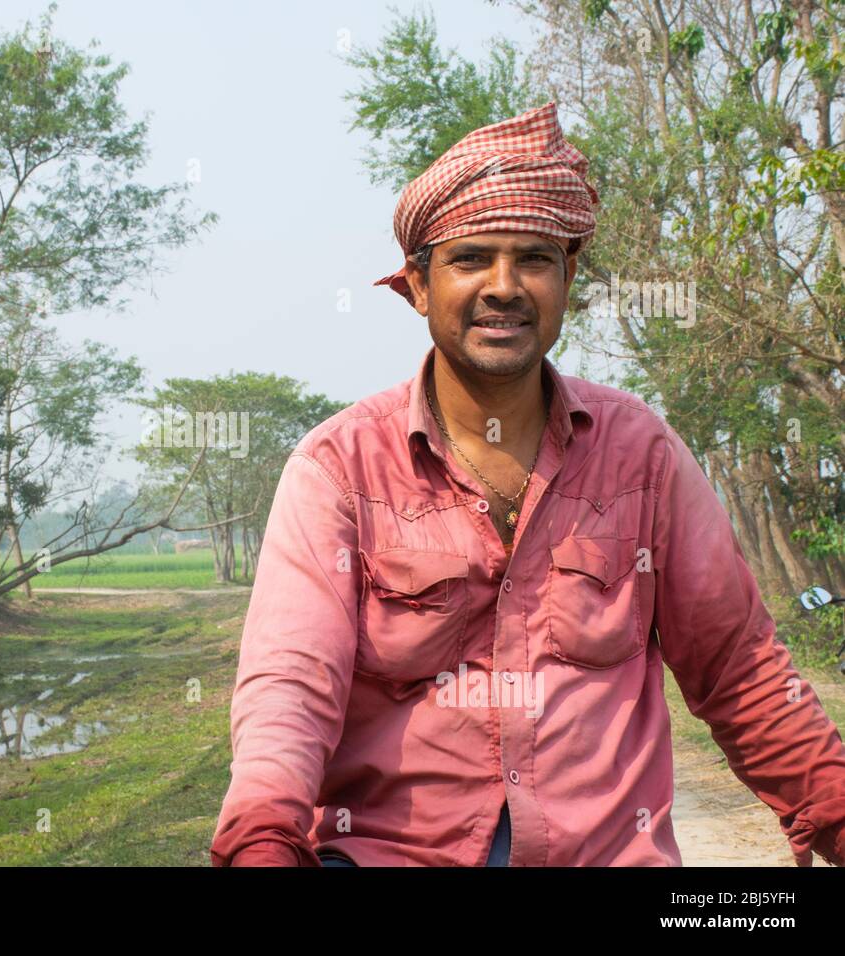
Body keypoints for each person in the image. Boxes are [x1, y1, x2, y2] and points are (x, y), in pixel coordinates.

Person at [209, 101, 845, 867]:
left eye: (535, 259)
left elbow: (738, 667)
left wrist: (832, 811)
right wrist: (263, 841)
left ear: (568, 277)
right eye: (471, 258)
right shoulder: (339, 468)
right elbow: (290, 687)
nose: (504, 286)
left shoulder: (640, 453)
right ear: (417, 284)